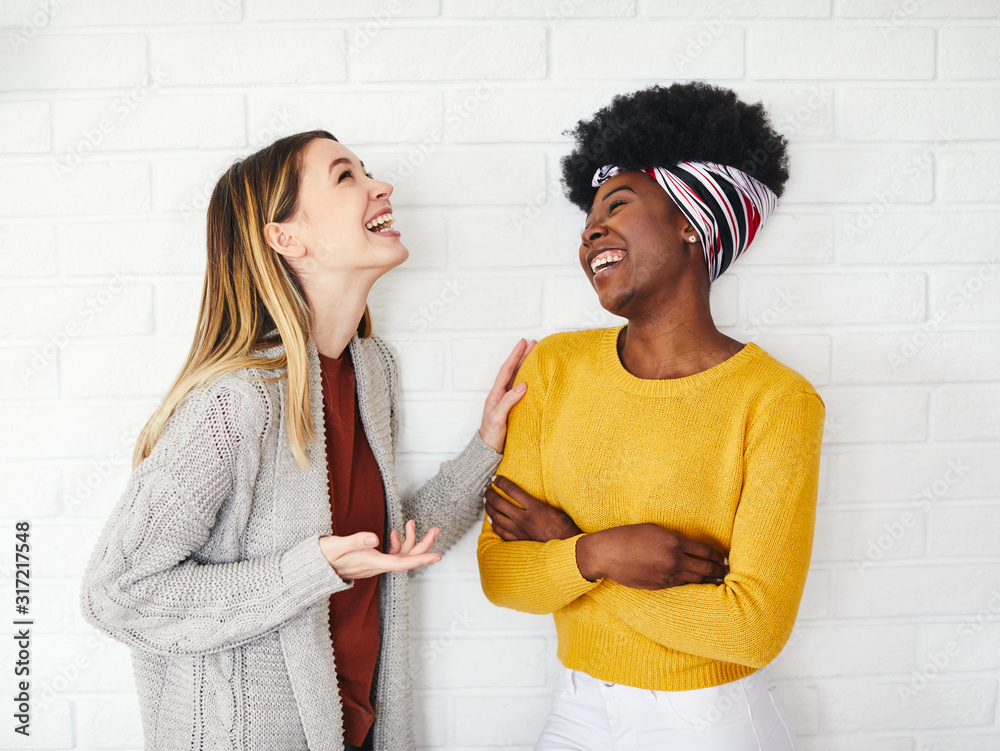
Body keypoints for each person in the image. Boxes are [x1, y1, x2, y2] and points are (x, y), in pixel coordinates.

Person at [80, 129, 534, 751]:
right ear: (284, 237)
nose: (382, 186)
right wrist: (312, 567)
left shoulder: (371, 372)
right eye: (346, 176)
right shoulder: (232, 404)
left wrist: (486, 447)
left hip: (359, 729)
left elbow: (385, 544)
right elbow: (116, 596)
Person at [478, 82, 825, 750]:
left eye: (618, 204)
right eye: (588, 219)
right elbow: (500, 575)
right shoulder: (554, 368)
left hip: (710, 719)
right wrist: (602, 549)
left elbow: (752, 627)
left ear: (691, 221)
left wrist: (568, 548)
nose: (591, 231)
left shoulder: (777, 400)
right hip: (578, 706)